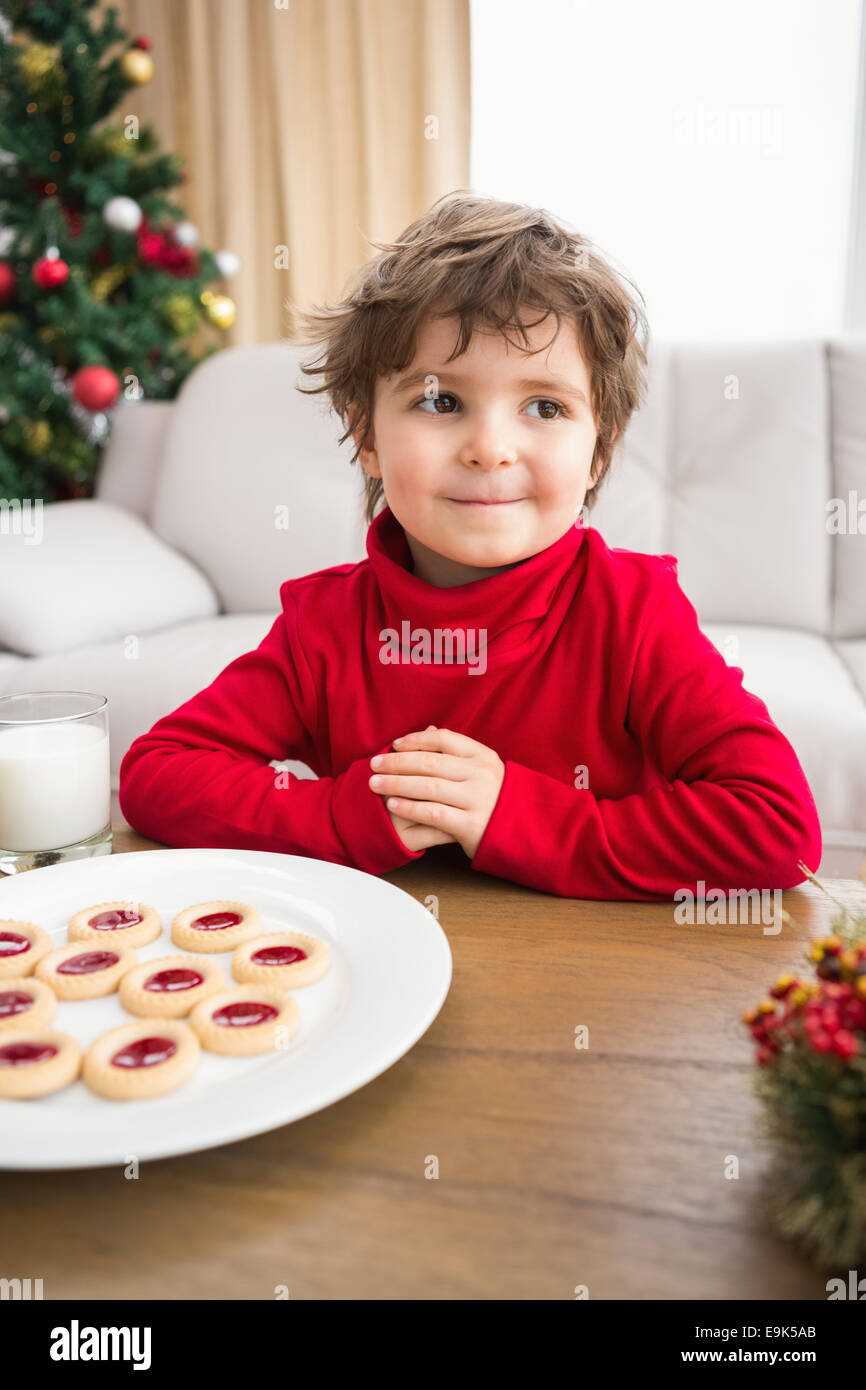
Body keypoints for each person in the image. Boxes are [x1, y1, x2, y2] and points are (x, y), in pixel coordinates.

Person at [119, 191, 822, 900]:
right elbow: (159, 774)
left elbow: (778, 833)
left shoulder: (633, 613)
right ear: (366, 436)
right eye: (441, 401)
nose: (490, 449)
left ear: (598, 452)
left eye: (544, 408)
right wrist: (339, 816)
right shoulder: (325, 626)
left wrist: (511, 815)